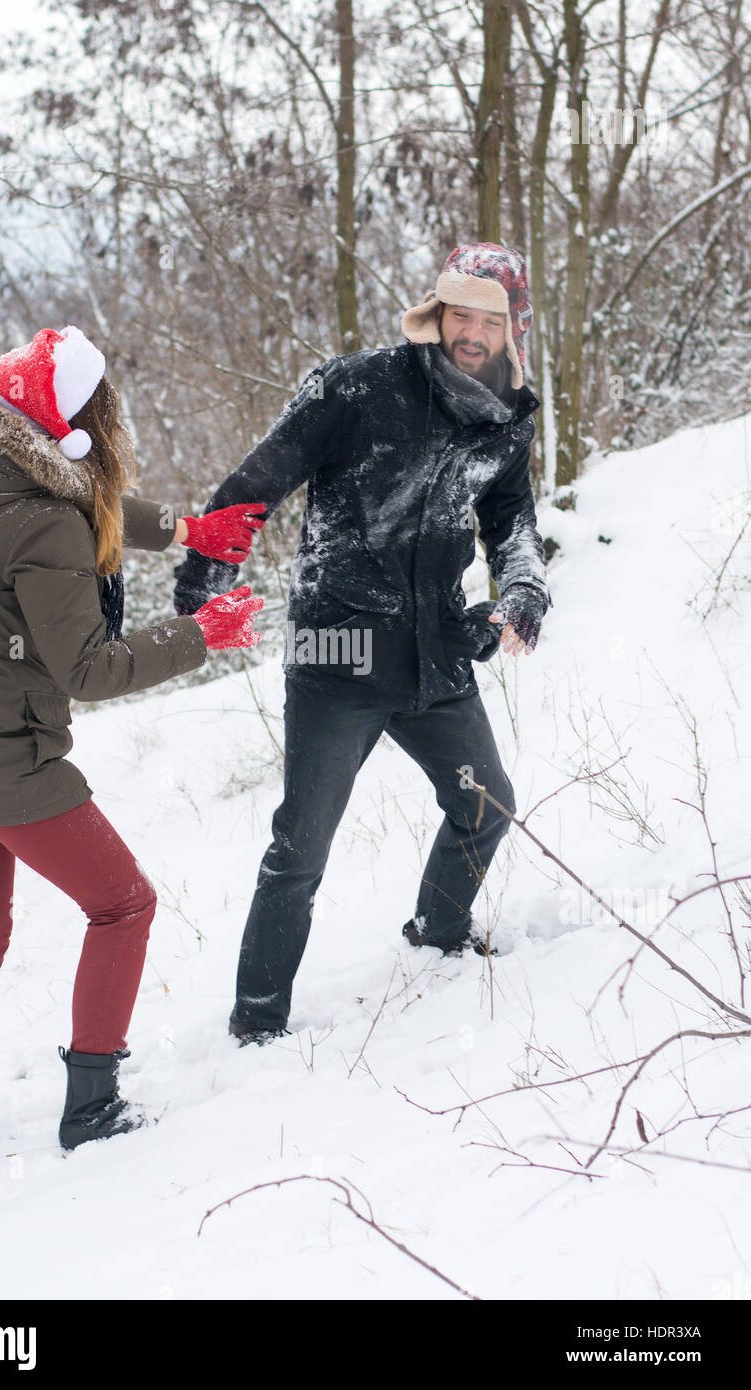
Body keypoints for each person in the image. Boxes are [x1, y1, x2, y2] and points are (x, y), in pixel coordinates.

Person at [0, 324, 264, 1166]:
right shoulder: (44, 520)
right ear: (77, 417)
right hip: (0, 762)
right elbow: (90, 669)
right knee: (123, 904)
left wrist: (189, 530)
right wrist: (200, 632)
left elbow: (84, 509)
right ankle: (92, 1109)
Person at [173, 242, 553, 1046]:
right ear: (438, 312)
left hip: (436, 653)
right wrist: (204, 581)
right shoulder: (355, 386)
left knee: (485, 805)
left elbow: (513, 523)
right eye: (461, 313)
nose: (472, 332)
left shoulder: (507, 418)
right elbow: (253, 486)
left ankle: (441, 940)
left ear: (512, 328)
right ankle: (257, 1023)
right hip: (337, 655)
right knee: (302, 848)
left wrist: (522, 591)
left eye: (490, 318)